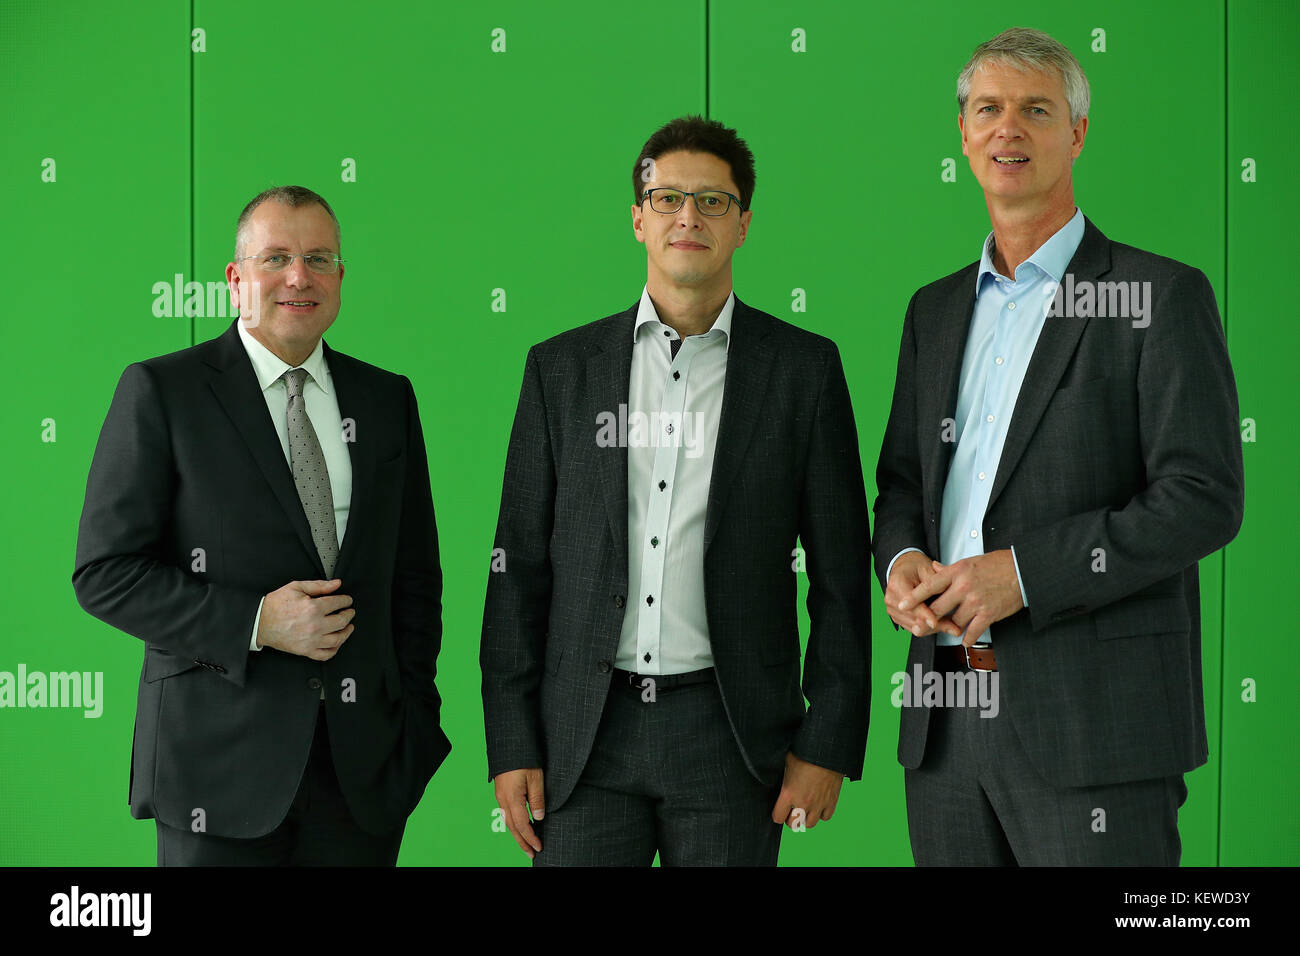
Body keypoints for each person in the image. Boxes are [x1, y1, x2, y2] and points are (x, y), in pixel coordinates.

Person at [872, 28, 1244, 865]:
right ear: (963, 134)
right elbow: (901, 485)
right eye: (988, 109)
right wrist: (899, 564)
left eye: (1035, 110)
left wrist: (1024, 574)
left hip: (1097, 728)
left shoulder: (1157, 295)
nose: (1008, 129)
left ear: (1075, 134)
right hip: (944, 719)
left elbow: (1204, 496)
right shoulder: (932, 312)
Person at [481, 116, 872, 866]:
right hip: (583, 741)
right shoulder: (560, 371)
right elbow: (516, 568)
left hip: (731, 737)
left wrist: (828, 739)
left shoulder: (803, 372)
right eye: (666, 199)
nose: (688, 215)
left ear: (744, 224)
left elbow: (841, 575)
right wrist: (511, 740)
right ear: (638, 218)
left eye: (713, 201)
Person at [73, 185, 451, 865]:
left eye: (318, 258)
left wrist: (414, 724)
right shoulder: (164, 393)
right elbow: (104, 573)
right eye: (275, 258)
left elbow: (414, 577)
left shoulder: (387, 399)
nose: (298, 277)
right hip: (215, 776)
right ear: (236, 279)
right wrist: (256, 621)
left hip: (361, 778)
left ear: (340, 278)